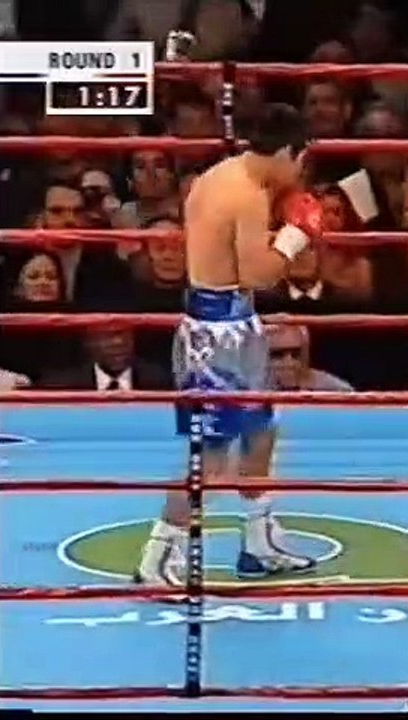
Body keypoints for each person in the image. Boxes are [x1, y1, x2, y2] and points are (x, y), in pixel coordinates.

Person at [136, 104, 327, 588]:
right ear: (287, 151)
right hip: (214, 336)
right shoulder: (246, 196)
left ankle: (260, 542)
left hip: (235, 323)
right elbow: (259, 274)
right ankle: (159, 553)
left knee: (261, 431)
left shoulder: (223, 174)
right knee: (213, 455)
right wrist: (295, 237)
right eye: (300, 158)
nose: (300, 170)